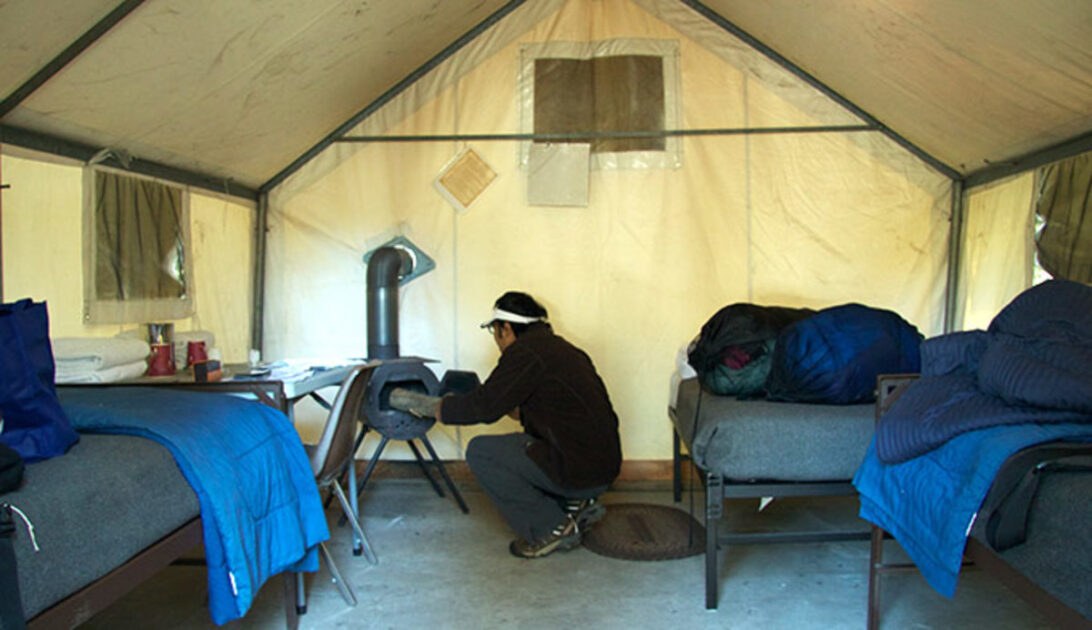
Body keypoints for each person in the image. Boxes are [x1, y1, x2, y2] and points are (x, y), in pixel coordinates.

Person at [437, 291, 622, 558]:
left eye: (495, 331)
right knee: (526, 447)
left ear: (506, 328)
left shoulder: (524, 353)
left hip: (581, 470)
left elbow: (485, 408)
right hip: (603, 466)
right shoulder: (563, 350)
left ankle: (553, 528)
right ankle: (576, 504)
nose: (497, 340)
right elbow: (550, 410)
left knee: (481, 452)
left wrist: (436, 408)